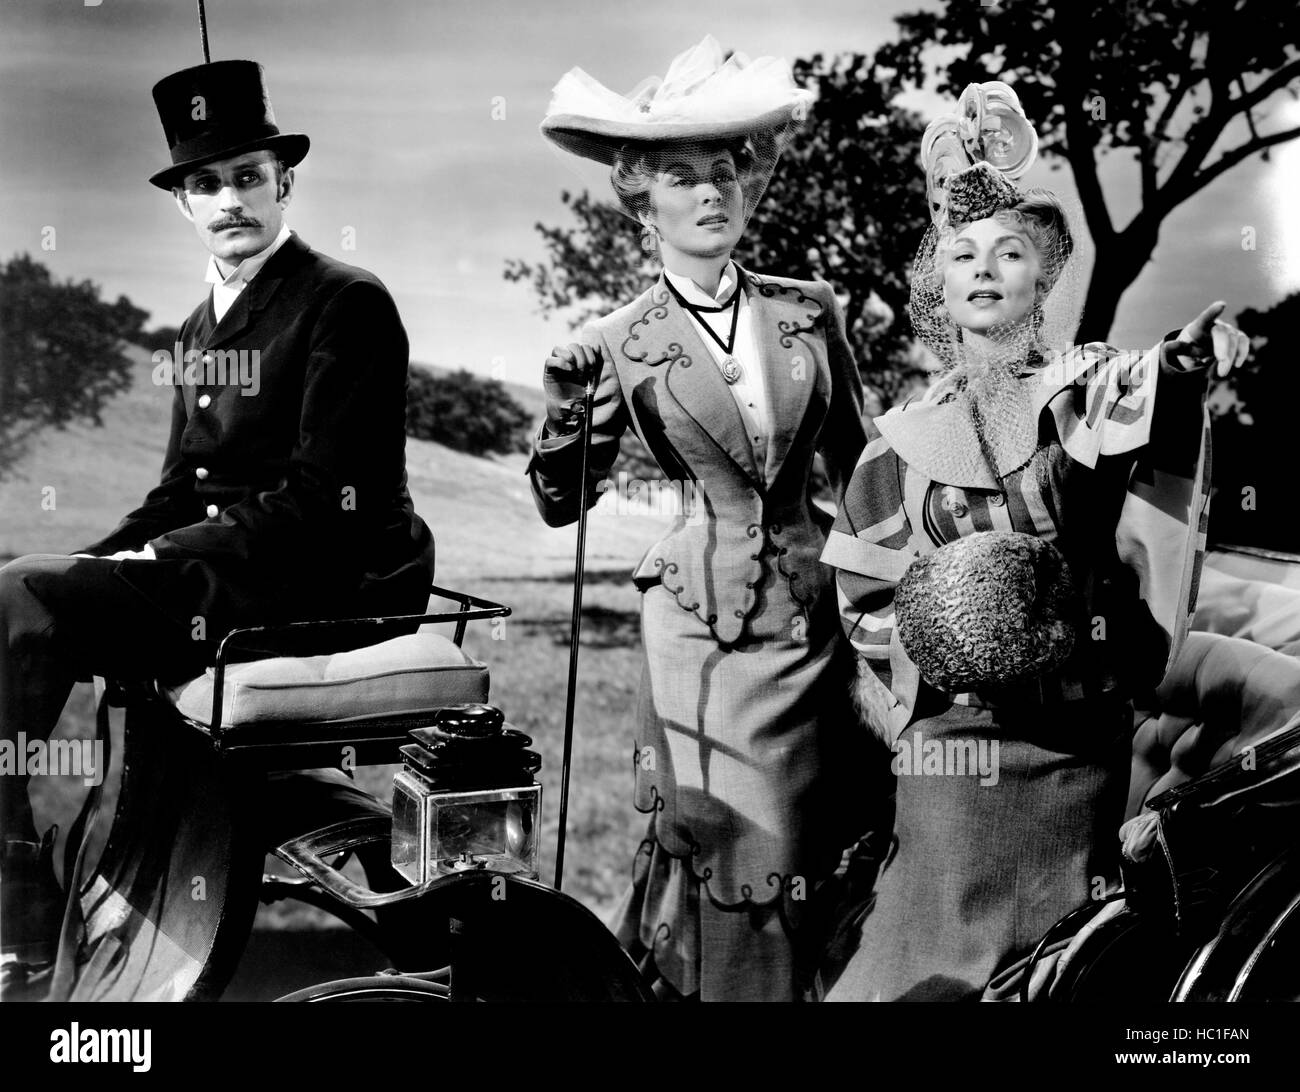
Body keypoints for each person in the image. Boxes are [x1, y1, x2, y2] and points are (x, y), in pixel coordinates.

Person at [0, 60, 434, 980]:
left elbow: (326, 500)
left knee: (25, 597)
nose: (229, 199)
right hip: (226, 565)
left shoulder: (343, 301)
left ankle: (18, 906)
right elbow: (177, 490)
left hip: (329, 572)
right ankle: (37, 886)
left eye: (246, 176)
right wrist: (92, 560)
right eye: (206, 183)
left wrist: (160, 557)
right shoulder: (198, 329)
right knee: (24, 589)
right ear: (182, 203)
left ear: (284, 181)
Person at [821, 81, 1249, 1001]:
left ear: (1042, 275)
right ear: (938, 281)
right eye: (962, 253)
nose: (984, 268)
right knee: (911, 967)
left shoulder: (1078, 390)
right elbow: (861, 602)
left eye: (1009, 252)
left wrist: (1179, 364)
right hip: (951, 741)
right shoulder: (894, 442)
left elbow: (1142, 390)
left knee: (1070, 968)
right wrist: (929, 662)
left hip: (1072, 743)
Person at [529, 36, 884, 1001]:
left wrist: (894, 591)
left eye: (725, 172)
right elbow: (563, 501)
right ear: (640, 195)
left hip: (824, 622)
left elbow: (865, 467)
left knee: (856, 839)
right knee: (743, 855)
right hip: (707, 633)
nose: (711, 193)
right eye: (684, 177)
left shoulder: (810, 309)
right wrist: (566, 405)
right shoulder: (617, 340)